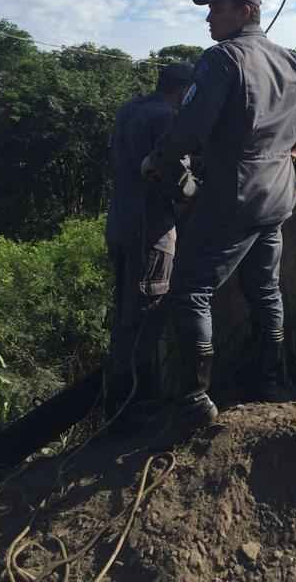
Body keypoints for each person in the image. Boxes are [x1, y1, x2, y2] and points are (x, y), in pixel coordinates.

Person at [141, 0, 296, 445]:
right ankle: (270, 380)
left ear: (245, 10)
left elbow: (191, 128)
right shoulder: (293, 60)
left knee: (190, 291)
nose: (208, 17)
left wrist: (157, 159)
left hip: (232, 199)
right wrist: (291, 151)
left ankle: (193, 401)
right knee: (265, 290)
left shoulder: (223, 58)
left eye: (216, 8)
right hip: (278, 197)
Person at [105, 62, 198, 422]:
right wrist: (197, 195)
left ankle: (115, 405)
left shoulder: (130, 110)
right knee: (147, 315)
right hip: (151, 231)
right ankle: (137, 407)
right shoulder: (167, 118)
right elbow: (175, 177)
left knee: (125, 315)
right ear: (186, 90)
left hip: (120, 223)